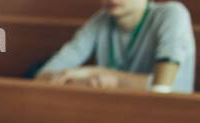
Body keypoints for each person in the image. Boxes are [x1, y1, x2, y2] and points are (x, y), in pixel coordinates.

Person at [36, 0, 195, 93]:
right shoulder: (99, 20)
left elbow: (163, 88)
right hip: (114, 115)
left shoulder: (172, 14)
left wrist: (97, 73)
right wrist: (87, 81)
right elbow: (43, 76)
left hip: (167, 120)